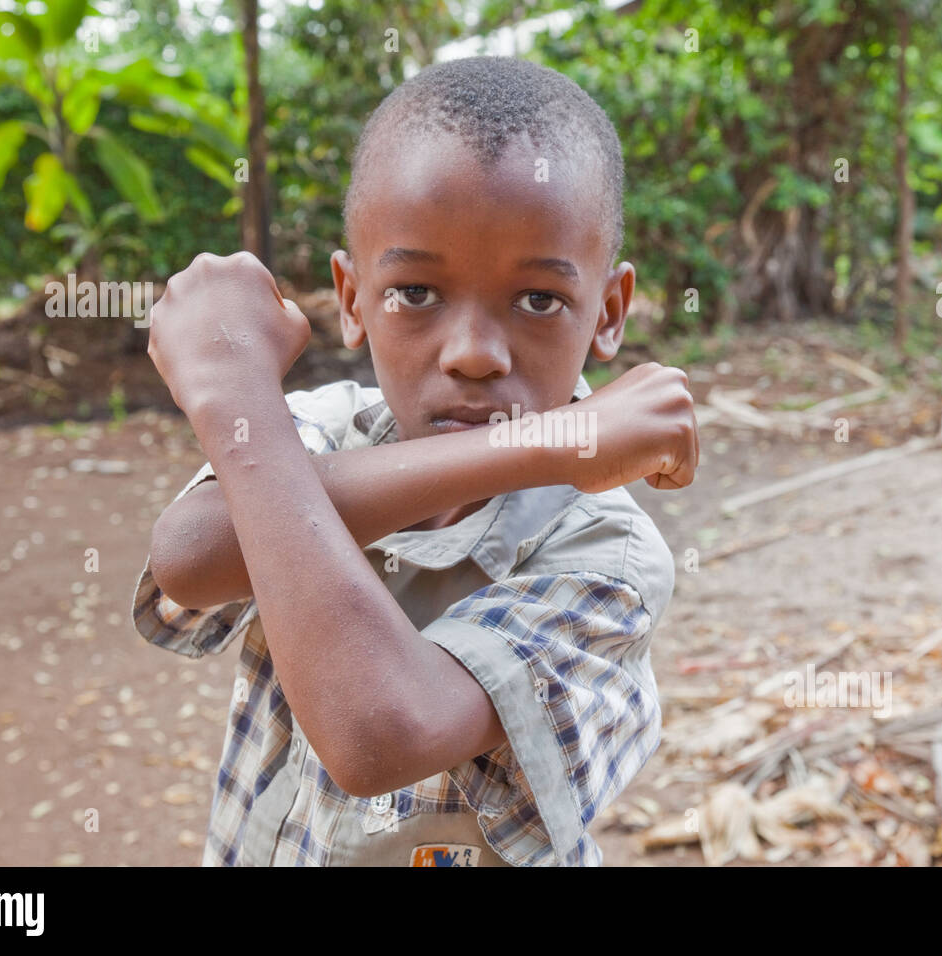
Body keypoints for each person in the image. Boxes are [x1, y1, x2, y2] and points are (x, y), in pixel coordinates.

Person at [131, 55, 698, 866]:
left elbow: (378, 734)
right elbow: (189, 558)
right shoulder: (322, 430)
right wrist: (538, 443)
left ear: (608, 312)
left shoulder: (607, 555)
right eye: (416, 294)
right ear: (353, 299)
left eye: (539, 299)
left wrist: (228, 394)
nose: (471, 354)